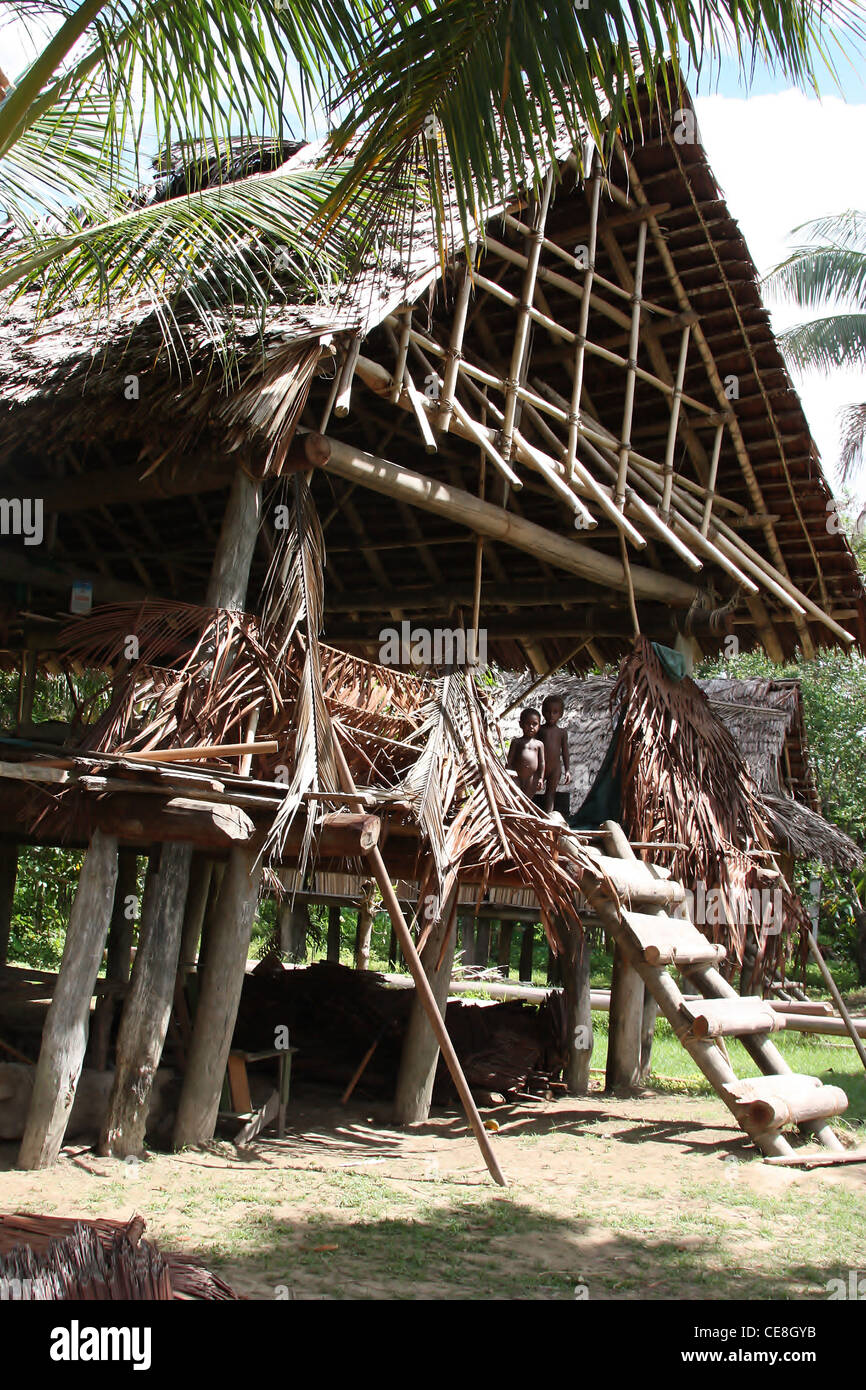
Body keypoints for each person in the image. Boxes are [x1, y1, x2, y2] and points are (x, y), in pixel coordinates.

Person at [538, 693, 571, 816]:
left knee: (550, 793)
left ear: (561, 714)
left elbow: (565, 752)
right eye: (548, 711)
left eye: (555, 712)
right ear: (543, 712)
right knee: (530, 790)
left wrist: (567, 770)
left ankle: (548, 817)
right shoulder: (539, 730)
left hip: (555, 768)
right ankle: (527, 813)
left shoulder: (562, 732)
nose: (551, 715)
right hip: (540, 767)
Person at [506, 707, 546, 799]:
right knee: (516, 798)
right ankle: (516, 812)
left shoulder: (539, 744)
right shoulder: (517, 742)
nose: (531, 727)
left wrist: (541, 778)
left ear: (539, 726)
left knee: (527, 800)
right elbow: (510, 760)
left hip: (531, 778)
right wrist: (508, 774)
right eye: (528, 724)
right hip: (516, 776)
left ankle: (524, 812)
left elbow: (542, 763)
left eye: (534, 724)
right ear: (521, 724)